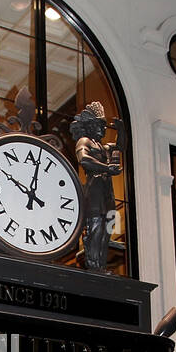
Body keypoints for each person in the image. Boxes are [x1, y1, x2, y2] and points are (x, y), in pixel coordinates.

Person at [70, 102, 122, 272]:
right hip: (94, 193)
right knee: (96, 228)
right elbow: (84, 159)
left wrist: (121, 131)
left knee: (108, 225)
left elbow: (121, 146)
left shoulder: (103, 147)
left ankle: (100, 264)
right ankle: (93, 265)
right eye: (99, 125)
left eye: (103, 125)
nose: (102, 129)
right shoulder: (85, 141)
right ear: (90, 126)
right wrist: (107, 168)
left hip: (106, 193)